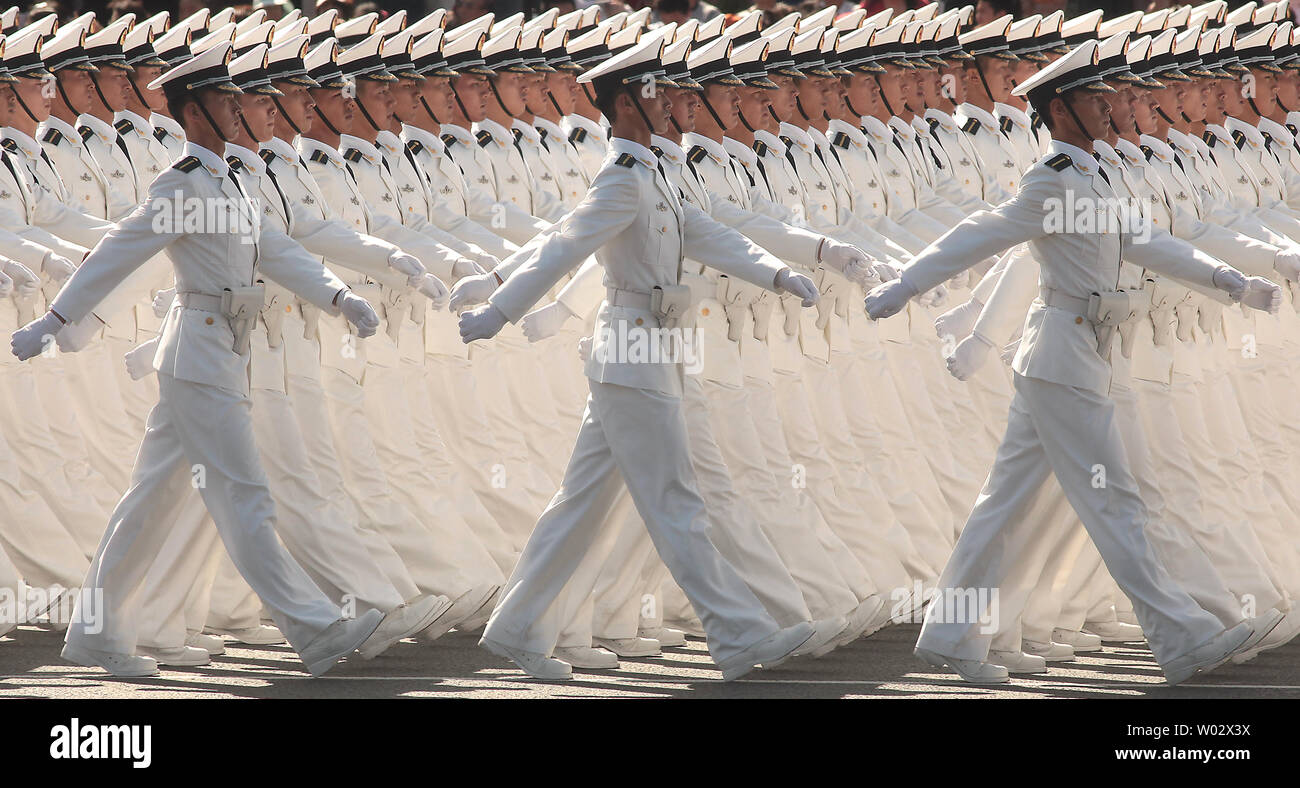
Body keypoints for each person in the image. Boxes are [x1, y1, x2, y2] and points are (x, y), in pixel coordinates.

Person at [863, 38, 1279, 686]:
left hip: (1071, 355)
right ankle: (1184, 635)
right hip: (1063, 357)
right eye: (1093, 100)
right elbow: (981, 236)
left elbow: (1148, 242)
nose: (1110, 108)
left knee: (1004, 505)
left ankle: (953, 635)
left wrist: (1230, 280)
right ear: (1060, 111)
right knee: (1115, 502)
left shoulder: (1093, 175)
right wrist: (904, 286)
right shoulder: (1052, 179)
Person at [9, 41, 391, 678]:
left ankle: (97, 635)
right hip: (199, 353)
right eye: (223, 99)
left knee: (151, 502)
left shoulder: (230, 179)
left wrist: (337, 295)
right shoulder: (181, 184)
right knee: (245, 494)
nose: (240, 108)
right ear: (194, 111)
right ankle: (318, 629)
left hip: (219, 353)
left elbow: (272, 248)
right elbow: (117, 253)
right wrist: (55, 319)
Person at [456, 34, 821, 682]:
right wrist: (498, 312)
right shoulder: (622, 180)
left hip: (647, 353)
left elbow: (704, 234)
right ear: (626, 103)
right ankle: (738, 635)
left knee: (580, 505)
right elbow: (561, 249)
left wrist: (775, 273)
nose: (674, 100)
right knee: (675, 500)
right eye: (658, 91)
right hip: (631, 353)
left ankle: (516, 627)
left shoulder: (653, 172)